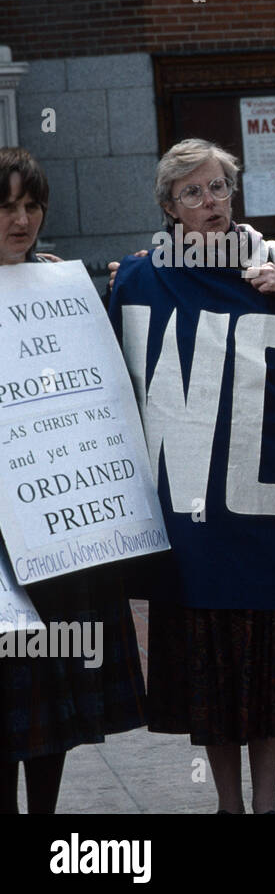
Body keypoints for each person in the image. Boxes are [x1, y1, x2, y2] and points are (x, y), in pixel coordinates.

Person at [121, 138, 275, 815]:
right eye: (193, 193)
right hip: (196, 517)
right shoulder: (140, 280)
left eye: (218, 188)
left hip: (270, 506)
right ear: (169, 207)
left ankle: (266, 803)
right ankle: (229, 805)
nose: (209, 203)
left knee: (267, 663)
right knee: (213, 667)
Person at [0, 147, 147, 814]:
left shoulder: (60, 289)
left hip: (60, 529)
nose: (21, 219)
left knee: (52, 692)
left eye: (32, 206)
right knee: (8, 692)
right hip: (4, 545)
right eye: (6, 206)